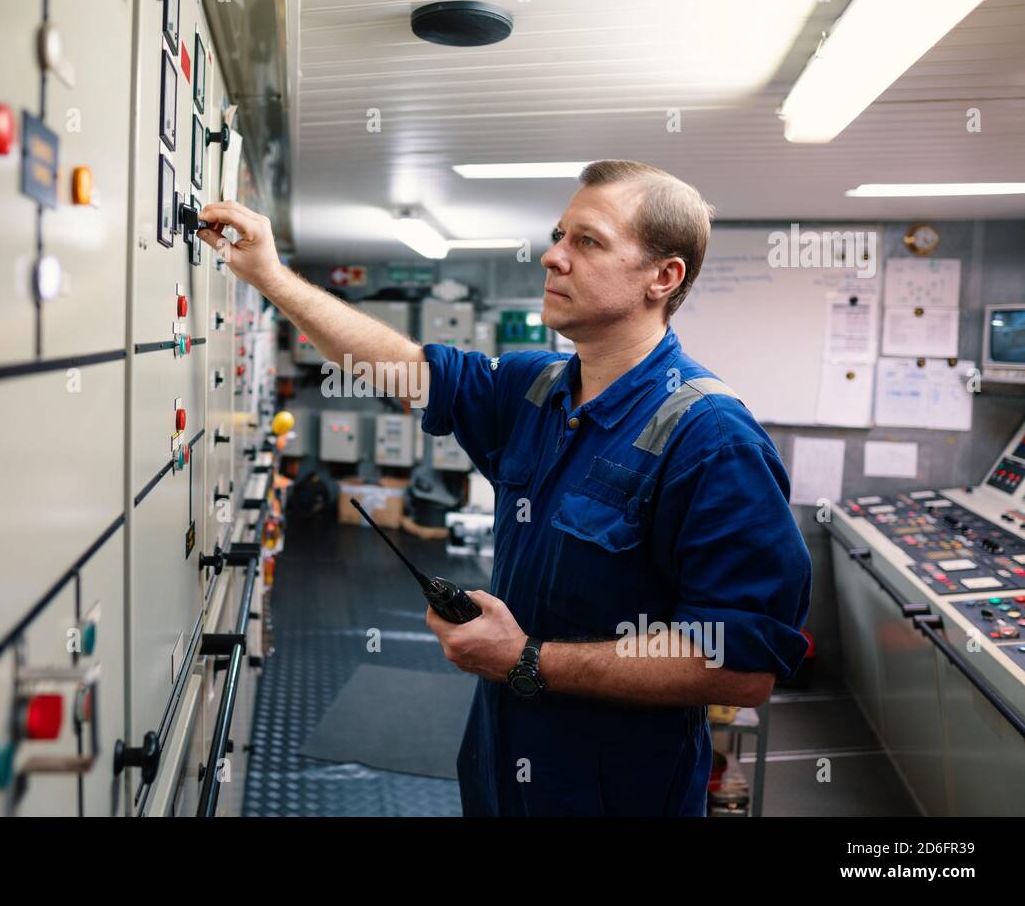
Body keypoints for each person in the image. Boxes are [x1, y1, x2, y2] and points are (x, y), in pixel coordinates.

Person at [196, 159, 811, 816]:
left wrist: (528, 659)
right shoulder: (536, 389)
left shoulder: (712, 438)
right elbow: (407, 370)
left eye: (588, 241)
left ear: (663, 277)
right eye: (559, 235)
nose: (552, 257)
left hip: (613, 797)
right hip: (498, 771)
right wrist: (268, 277)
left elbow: (741, 666)